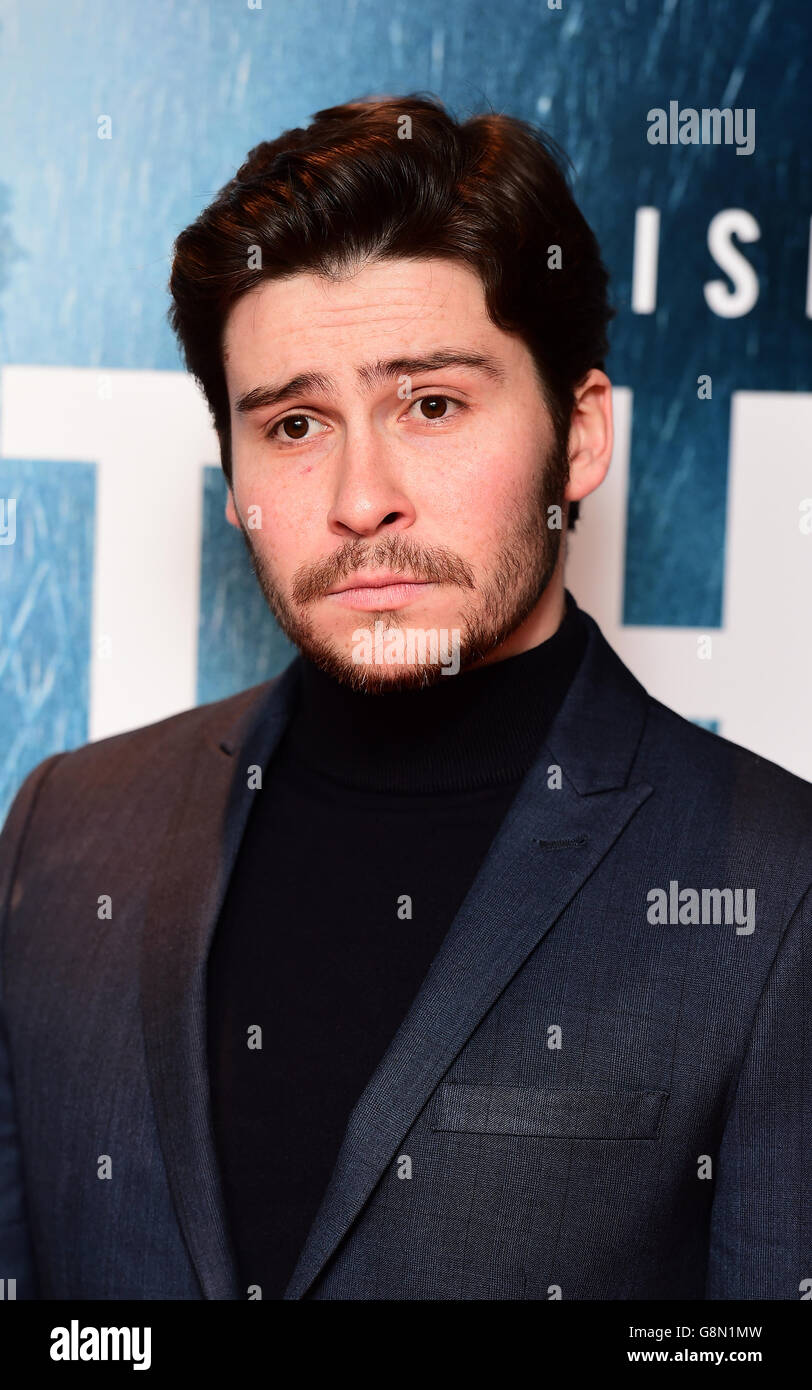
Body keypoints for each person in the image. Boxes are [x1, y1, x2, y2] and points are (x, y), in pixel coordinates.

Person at [0, 94, 809, 1301]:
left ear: (578, 437)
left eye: (429, 403)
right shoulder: (68, 829)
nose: (359, 495)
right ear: (234, 479)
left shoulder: (774, 887)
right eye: (294, 422)